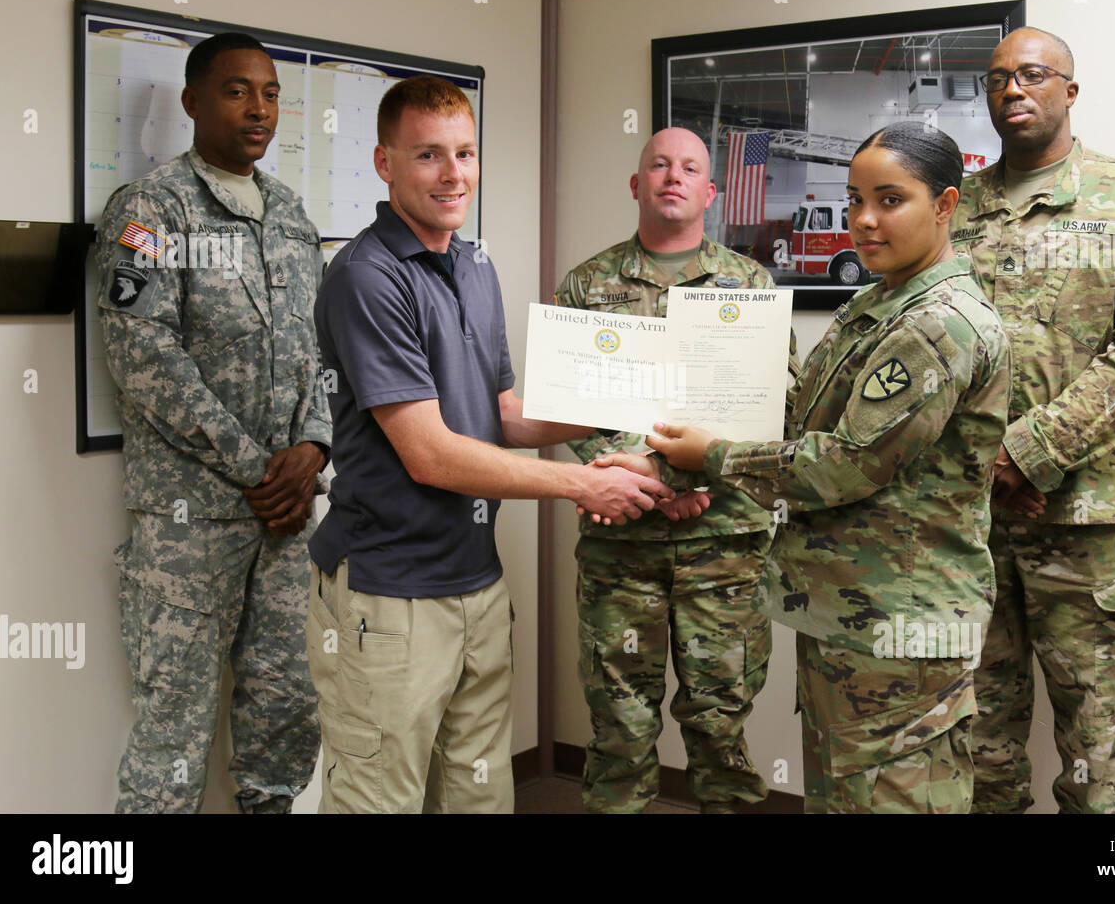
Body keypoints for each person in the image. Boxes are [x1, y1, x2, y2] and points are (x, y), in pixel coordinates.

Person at [610, 122, 1010, 813]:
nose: (863, 219)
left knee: (896, 797)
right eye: (855, 199)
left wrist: (709, 455)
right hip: (851, 615)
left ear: (945, 206)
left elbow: (845, 466)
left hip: (901, 626)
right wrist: (664, 457)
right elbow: (793, 413)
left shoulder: (938, 321)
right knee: (842, 796)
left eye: (890, 200)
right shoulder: (879, 302)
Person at [307, 76, 674, 814]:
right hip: (390, 590)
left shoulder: (473, 264)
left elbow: (502, 412)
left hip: (475, 580)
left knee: (480, 793)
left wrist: (627, 406)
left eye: (466, 153)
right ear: (384, 163)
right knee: (380, 799)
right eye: (428, 156)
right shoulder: (366, 278)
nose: (453, 175)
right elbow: (431, 454)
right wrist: (582, 485)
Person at [950, 27, 1115, 814]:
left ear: (1069, 92)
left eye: (1032, 75)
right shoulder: (959, 209)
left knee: (1093, 748)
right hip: (972, 523)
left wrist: (1029, 450)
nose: (1012, 90)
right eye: (996, 80)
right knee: (980, 737)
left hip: (1086, 524)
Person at [97, 32, 330, 813]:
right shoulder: (148, 210)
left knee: (285, 712)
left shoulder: (293, 217)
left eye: (268, 92)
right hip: (189, 523)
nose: (258, 108)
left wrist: (314, 446)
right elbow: (140, 351)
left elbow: (315, 349)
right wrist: (258, 464)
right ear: (194, 102)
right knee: (173, 732)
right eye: (236, 91)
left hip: (285, 519)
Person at [555, 127, 798, 814]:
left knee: (720, 727)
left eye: (690, 167)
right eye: (658, 164)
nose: (673, 176)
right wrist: (649, 484)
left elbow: (773, 402)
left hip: (721, 544)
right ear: (637, 185)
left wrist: (681, 479)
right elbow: (565, 402)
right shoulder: (586, 284)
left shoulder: (748, 285)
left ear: (710, 192)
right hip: (620, 543)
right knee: (619, 730)